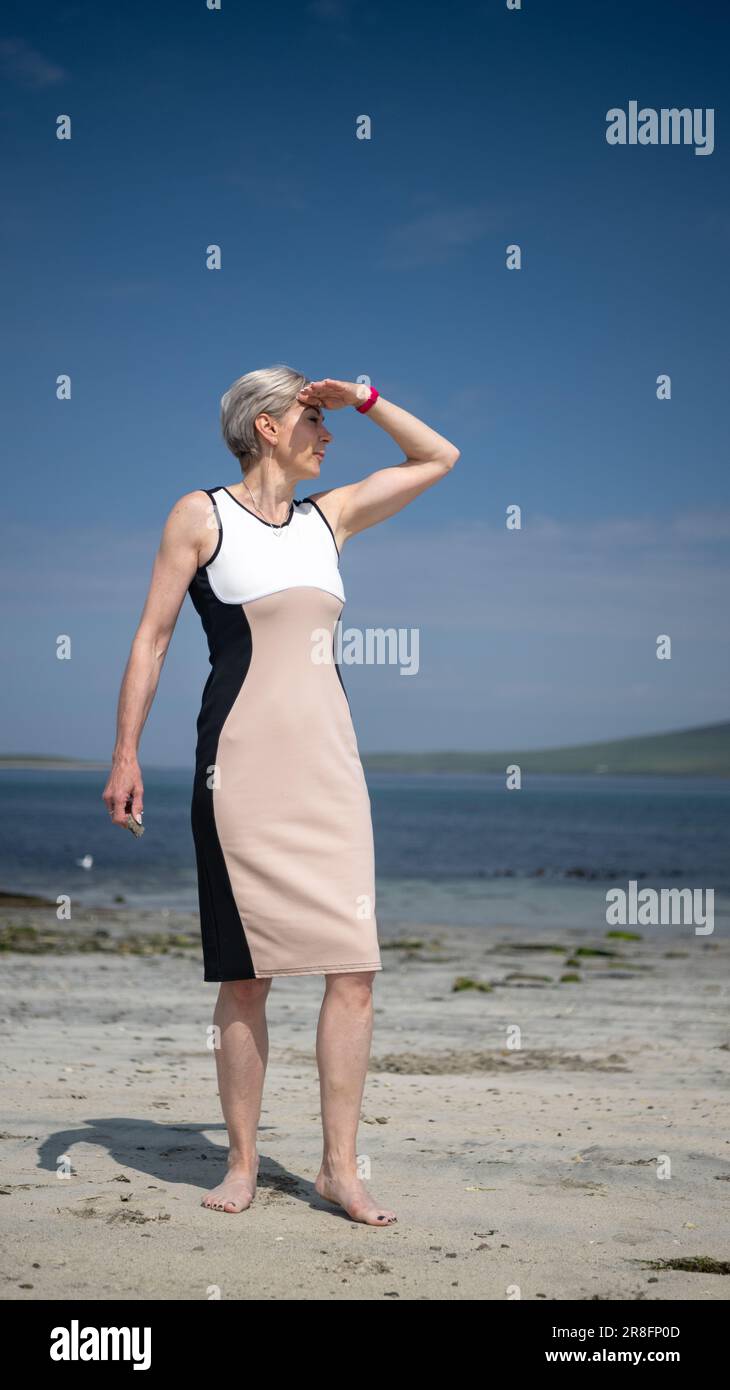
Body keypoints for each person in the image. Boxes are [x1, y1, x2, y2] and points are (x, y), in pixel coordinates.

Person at [102, 367, 459, 1223]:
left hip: (332, 773)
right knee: (247, 979)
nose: (325, 434)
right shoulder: (201, 516)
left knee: (356, 971)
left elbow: (439, 455)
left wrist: (363, 399)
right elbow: (151, 640)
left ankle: (339, 1168)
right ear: (266, 427)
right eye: (310, 418)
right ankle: (241, 1163)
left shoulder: (328, 519)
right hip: (239, 775)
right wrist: (125, 755)